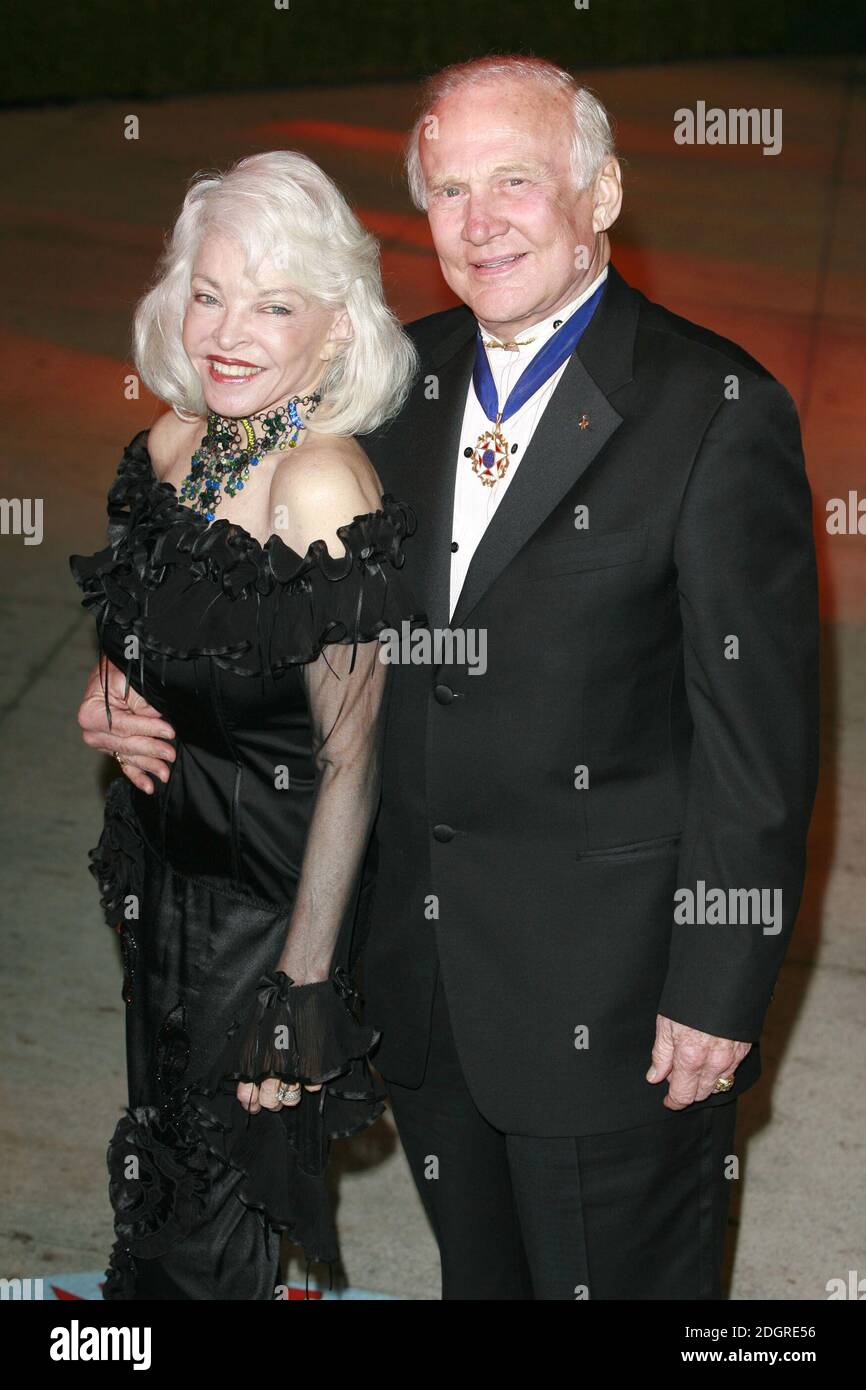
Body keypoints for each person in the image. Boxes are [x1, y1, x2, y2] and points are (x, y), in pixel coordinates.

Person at [78, 55, 820, 1301]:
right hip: (417, 993)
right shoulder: (383, 385)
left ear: (600, 193)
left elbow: (759, 741)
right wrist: (128, 671)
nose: (480, 223)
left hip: (616, 1009)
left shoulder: (711, 406)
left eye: (514, 180)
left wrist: (717, 988)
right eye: (450, 190)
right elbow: (207, 510)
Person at [69, 149, 424, 1300]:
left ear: (334, 329)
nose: (227, 333)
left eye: (272, 305)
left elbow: (354, 760)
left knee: (214, 1225)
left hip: (268, 910)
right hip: (161, 869)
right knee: (163, 1173)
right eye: (209, 293)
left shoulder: (319, 489)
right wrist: (110, 686)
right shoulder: (174, 439)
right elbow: (141, 619)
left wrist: (299, 994)